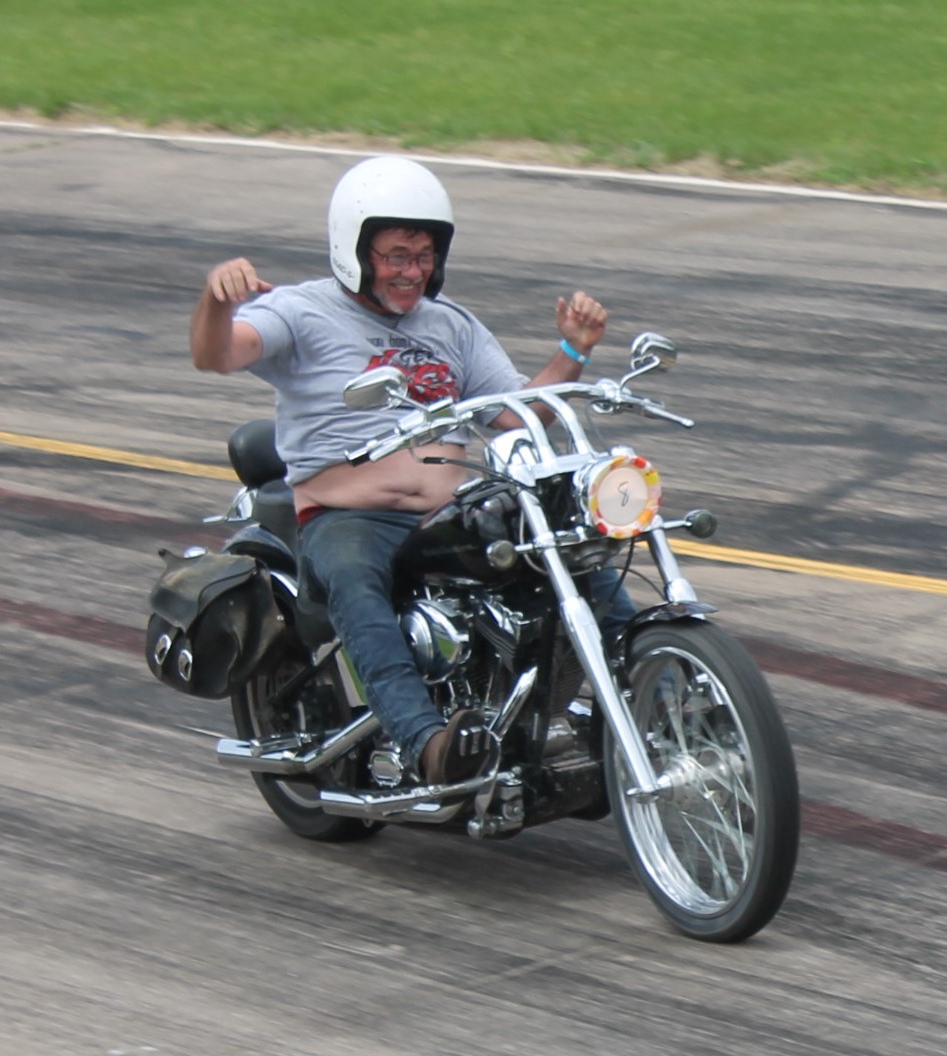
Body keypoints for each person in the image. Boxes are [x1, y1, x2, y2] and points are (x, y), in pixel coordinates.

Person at [190, 155, 628, 787]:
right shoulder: (299, 311)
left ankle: (654, 691)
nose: (413, 271)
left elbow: (516, 414)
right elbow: (216, 355)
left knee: (573, 546)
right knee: (355, 582)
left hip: (453, 513)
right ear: (355, 250)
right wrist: (217, 299)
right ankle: (428, 744)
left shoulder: (452, 324)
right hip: (349, 516)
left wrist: (574, 349)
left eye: (424, 256)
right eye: (397, 255)